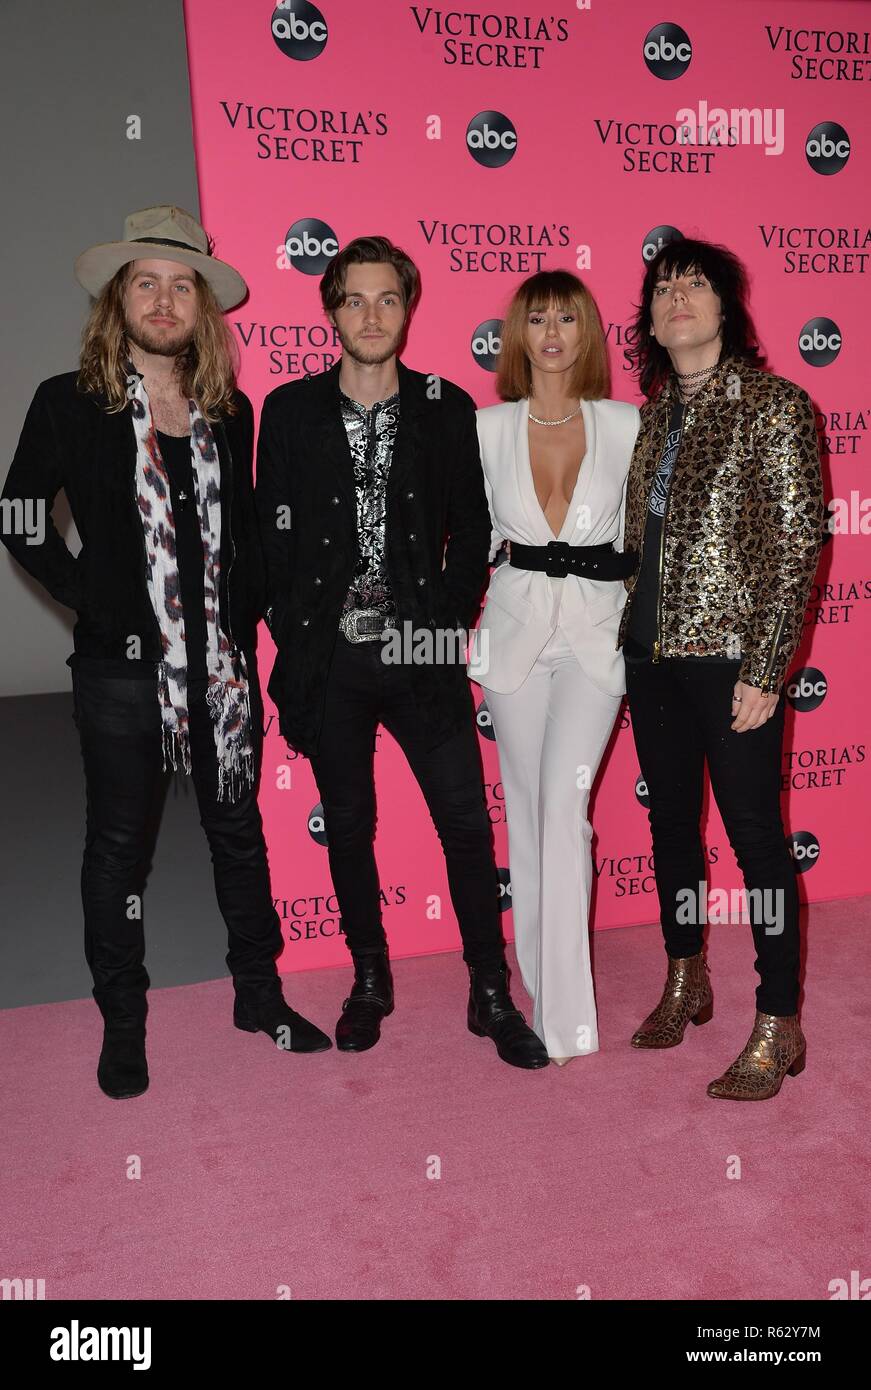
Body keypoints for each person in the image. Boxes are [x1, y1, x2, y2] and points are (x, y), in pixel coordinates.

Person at [0, 206, 331, 1100]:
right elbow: (20, 515)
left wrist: (260, 616)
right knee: (117, 848)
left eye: (181, 283)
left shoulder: (230, 410)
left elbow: (247, 540)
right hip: (119, 673)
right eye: (145, 281)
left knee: (238, 835)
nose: (163, 297)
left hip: (220, 671)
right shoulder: (68, 402)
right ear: (119, 299)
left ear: (201, 307)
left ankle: (258, 999)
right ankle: (123, 1023)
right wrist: (91, 598)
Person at [255, 235, 548, 1069]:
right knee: (348, 825)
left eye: (387, 299)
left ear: (408, 308)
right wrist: (296, 627)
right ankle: (369, 980)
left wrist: (443, 619)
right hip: (328, 663)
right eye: (354, 299)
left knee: (462, 821)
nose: (371, 315)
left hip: (421, 653)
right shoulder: (289, 410)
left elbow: (473, 528)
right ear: (331, 310)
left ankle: (488, 991)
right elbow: (268, 534)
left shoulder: (443, 405)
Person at [619, 238, 823, 1100]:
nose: (677, 300)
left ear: (725, 308)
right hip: (650, 657)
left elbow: (796, 545)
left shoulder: (774, 406)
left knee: (754, 843)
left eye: (694, 286)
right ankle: (684, 975)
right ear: (651, 321)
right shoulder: (654, 415)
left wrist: (767, 668)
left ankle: (778, 1020)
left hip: (733, 661)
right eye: (663, 289)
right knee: (670, 828)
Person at [469, 270, 640, 1065]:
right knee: (530, 812)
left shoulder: (626, 424)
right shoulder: (484, 429)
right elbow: (462, 541)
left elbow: (650, 537)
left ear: (587, 332)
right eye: (536, 318)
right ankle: (537, 983)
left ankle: (568, 1020)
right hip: (513, 638)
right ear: (518, 334)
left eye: (566, 318)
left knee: (565, 812)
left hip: (594, 640)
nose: (551, 333)